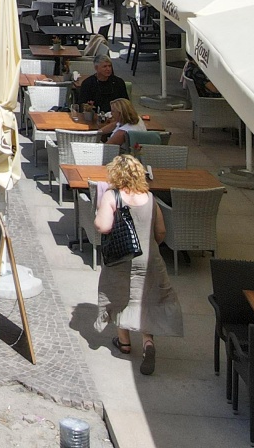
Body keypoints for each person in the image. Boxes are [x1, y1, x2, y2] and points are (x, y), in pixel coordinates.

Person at [93, 153, 182, 375]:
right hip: (148, 258)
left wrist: (97, 215)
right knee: (146, 300)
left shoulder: (112, 196)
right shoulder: (150, 198)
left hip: (121, 259)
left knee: (120, 297)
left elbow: (103, 226)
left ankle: (124, 342)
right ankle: (148, 343)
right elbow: (161, 231)